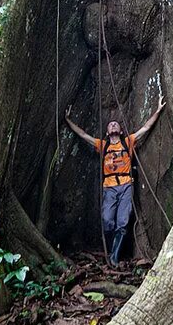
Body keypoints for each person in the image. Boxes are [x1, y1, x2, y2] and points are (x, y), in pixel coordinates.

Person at [64, 96, 166, 266]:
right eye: (110, 124)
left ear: (120, 130)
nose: (113, 125)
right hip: (109, 187)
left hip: (126, 185)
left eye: (116, 124)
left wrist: (157, 110)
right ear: (106, 132)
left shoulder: (128, 142)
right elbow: (82, 134)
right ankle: (113, 249)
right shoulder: (103, 146)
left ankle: (114, 257)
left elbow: (146, 127)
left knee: (122, 223)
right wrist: (68, 120)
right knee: (107, 220)